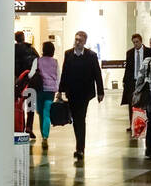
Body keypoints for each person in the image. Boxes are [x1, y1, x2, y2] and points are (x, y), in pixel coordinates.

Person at [57, 30, 104, 165]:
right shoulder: (68, 54)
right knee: (76, 120)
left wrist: (100, 91)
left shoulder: (91, 56)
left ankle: (80, 148)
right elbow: (65, 73)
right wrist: (60, 90)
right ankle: (79, 145)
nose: (77, 42)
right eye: (76, 39)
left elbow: (97, 74)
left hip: (85, 94)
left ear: (84, 42)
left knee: (80, 118)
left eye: (80, 40)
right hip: (71, 92)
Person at [122, 33, 151, 131]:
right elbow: (128, 68)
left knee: (145, 102)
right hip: (133, 81)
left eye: (137, 42)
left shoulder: (150, 52)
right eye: (134, 42)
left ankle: (146, 123)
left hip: (145, 81)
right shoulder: (130, 53)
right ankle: (132, 124)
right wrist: (125, 80)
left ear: (141, 41)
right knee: (132, 102)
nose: (135, 44)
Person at [31, 41, 59, 150]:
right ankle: (45, 137)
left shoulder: (37, 60)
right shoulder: (55, 62)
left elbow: (31, 74)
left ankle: (43, 135)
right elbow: (58, 76)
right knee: (47, 113)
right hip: (50, 91)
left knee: (40, 112)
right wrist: (58, 90)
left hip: (39, 89)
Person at [14, 32, 38, 138]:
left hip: (16, 81)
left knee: (17, 105)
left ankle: (19, 125)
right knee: (30, 104)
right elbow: (38, 61)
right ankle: (28, 127)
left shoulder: (11, 49)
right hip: (29, 80)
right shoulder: (31, 49)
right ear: (24, 38)